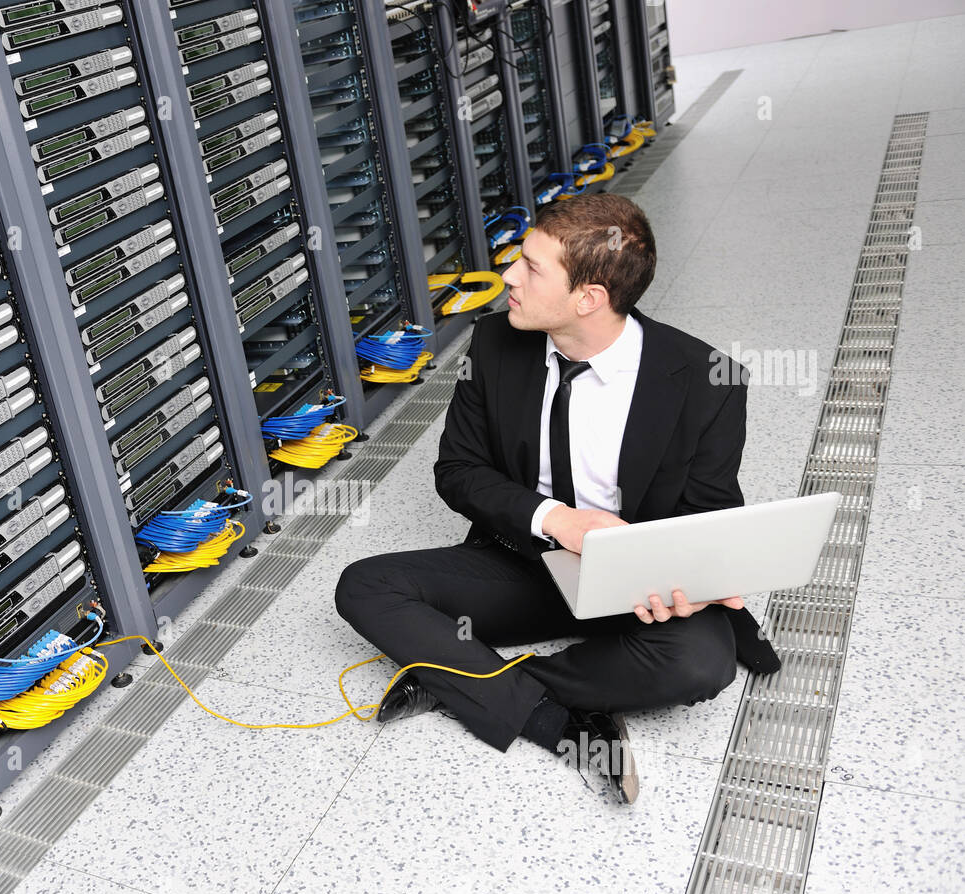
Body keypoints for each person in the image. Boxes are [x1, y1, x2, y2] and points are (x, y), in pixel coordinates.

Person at [334, 193, 780, 804]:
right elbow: (458, 471)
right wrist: (557, 520)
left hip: (633, 576)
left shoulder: (707, 380)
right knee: (365, 586)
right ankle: (558, 722)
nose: (509, 277)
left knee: (700, 665)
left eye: (532, 267)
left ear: (589, 298)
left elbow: (706, 511)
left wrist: (680, 579)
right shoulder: (495, 343)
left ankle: (467, 682)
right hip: (529, 559)